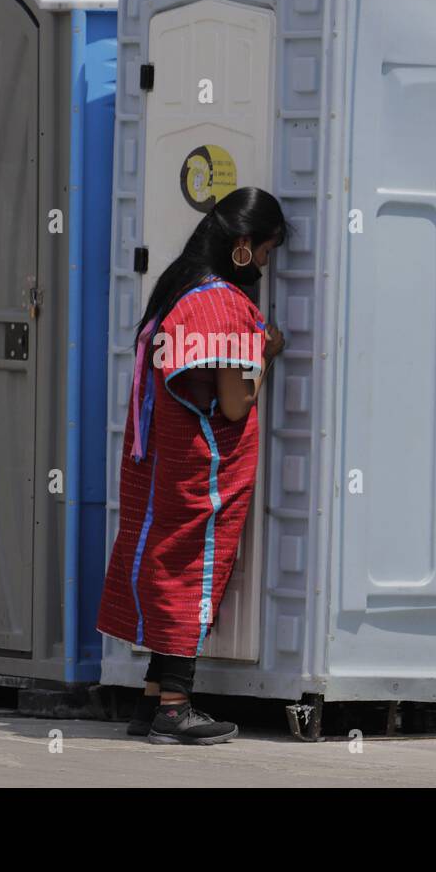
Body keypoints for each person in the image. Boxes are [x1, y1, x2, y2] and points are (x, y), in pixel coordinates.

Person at [97, 187, 287, 744]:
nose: (269, 264)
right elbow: (234, 403)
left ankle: (152, 697)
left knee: (160, 558)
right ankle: (176, 708)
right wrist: (266, 354)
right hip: (200, 464)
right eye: (269, 252)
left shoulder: (177, 290)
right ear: (244, 246)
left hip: (159, 460)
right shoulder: (222, 305)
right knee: (190, 567)